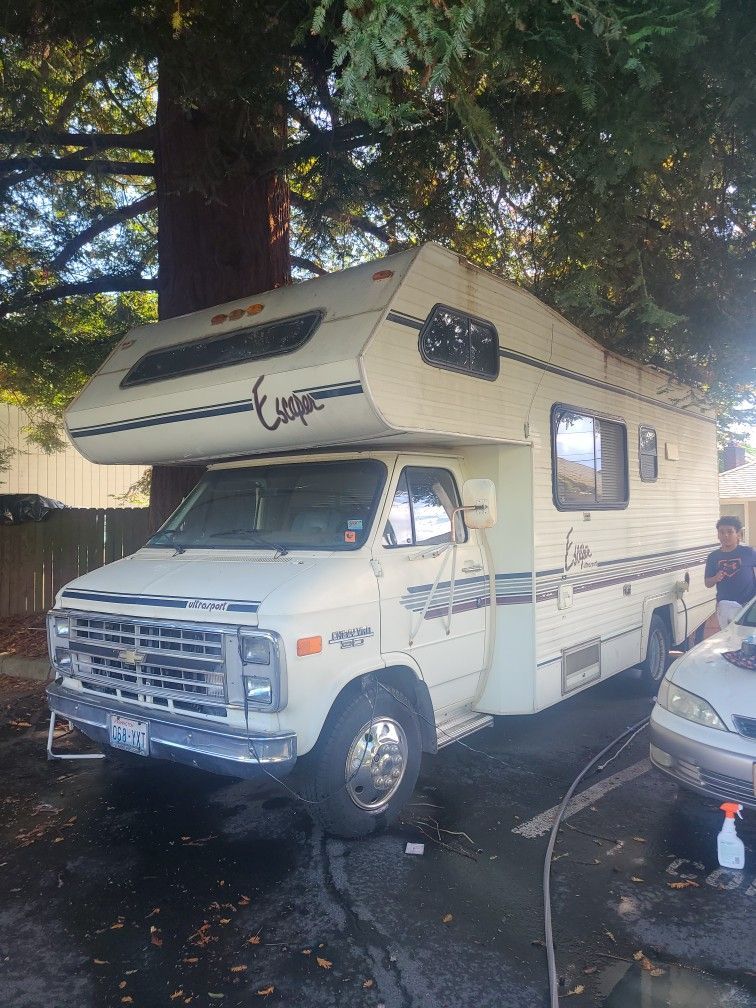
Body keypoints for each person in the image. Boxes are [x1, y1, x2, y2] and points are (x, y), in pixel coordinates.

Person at [704, 516, 756, 628]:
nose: (725, 535)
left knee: (748, 638)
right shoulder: (713, 557)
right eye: (721, 532)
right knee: (729, 640)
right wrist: (715, 578)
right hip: (725, 606)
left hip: (748, 606)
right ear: (718, 535)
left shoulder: (748, 552)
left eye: (730, 532)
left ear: (738, 534)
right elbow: (707, 583)